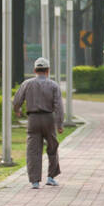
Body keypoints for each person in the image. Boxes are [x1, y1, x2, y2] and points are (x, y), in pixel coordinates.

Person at [12, 56, 64, 188]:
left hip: (33, 119)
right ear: (48, 70)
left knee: (33, 150)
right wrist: (59, 124)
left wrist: (17, 110)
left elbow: (17, 100)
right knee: (52, 147)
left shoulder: (27, 83)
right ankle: (51, 177)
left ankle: (35, 181)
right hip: (48, 119)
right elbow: (58, 106)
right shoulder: (53, 85)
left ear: (35, 70)